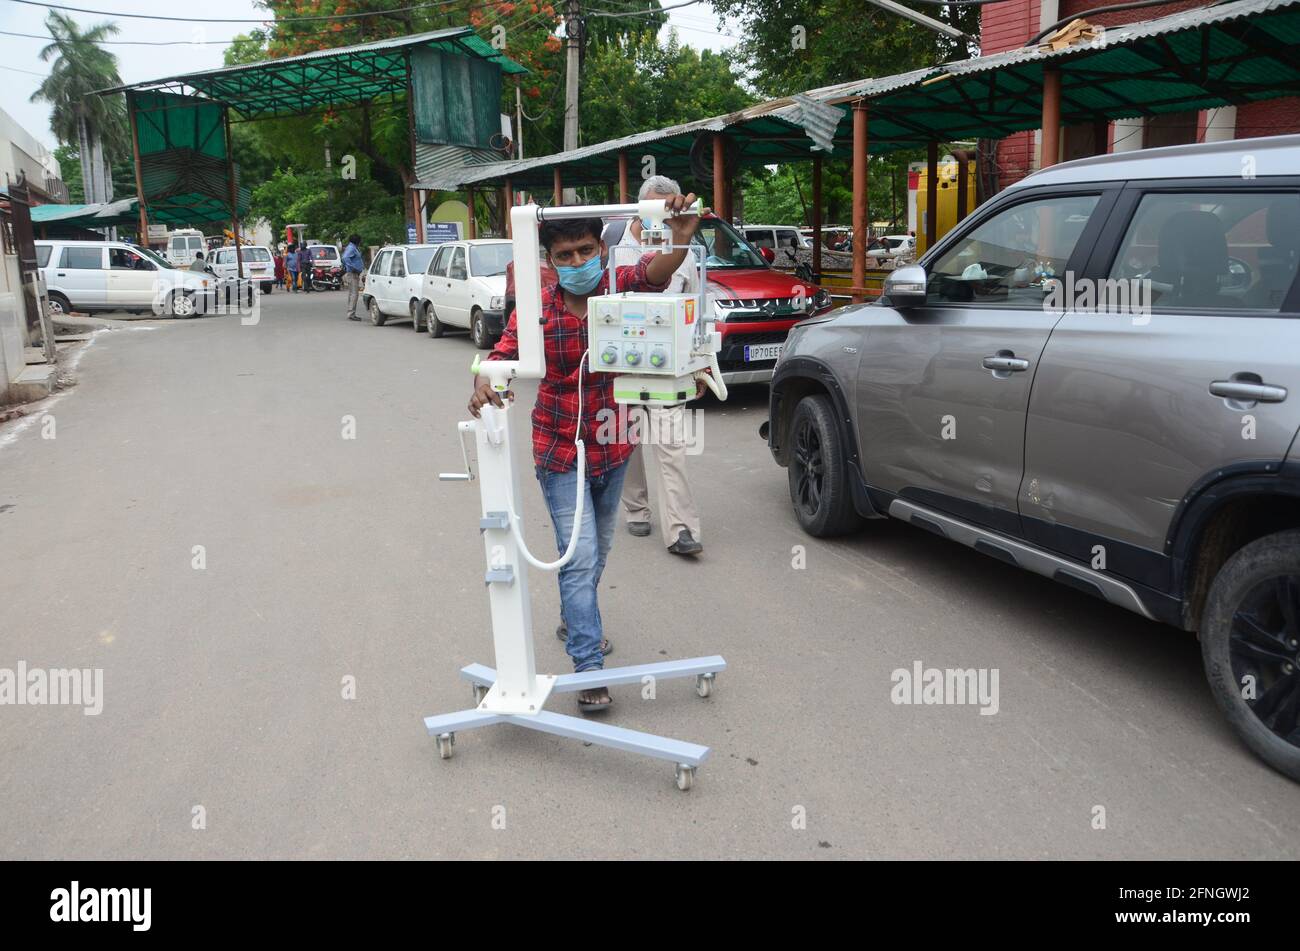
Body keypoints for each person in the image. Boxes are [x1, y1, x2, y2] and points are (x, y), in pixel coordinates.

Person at [467, 194, 700, 713]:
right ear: (549, 260)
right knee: (580, 557)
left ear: (601, 248)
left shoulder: (621, 288)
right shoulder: (537, 311)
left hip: (614, 443)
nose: (577, 263)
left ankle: (576, 620)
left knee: (599, 551)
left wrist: (680, 234)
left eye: (585, 250)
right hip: (558, 448)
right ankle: (588, 669)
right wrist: (485, 382)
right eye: (565, 255)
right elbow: (500, 360)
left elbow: (658, 267)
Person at [613, 175, 705, 557]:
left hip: (669, 366)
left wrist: (700, 365)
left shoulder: (683, 249)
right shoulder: (612, 250)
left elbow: (697, 311)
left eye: (669, 213)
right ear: (640, 208)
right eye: (655, 212)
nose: (661, 222)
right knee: (627, 440)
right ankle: (636, 507)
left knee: (671, 445)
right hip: (622, 362)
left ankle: (681, 529)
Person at [342, 234, 364, 321]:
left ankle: (351, 312)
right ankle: (351, 313)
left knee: (352, 293)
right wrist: (352, 267)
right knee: (354, 294)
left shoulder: (353, 247)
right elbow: (345, 258)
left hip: (354, 273)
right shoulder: (351, 248)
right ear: (357, 241)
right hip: (352, 273)